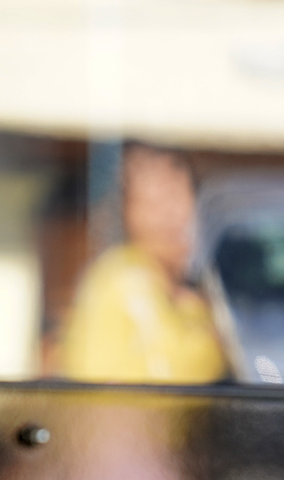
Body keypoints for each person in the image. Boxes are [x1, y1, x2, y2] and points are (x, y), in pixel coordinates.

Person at [58, 142, 228, 384]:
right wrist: (210, 332)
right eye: (152, 203)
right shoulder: (127, 277)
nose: (169, 216)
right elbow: (172, 375)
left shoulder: (178, 281)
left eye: (175, 196)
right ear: (127, 213)